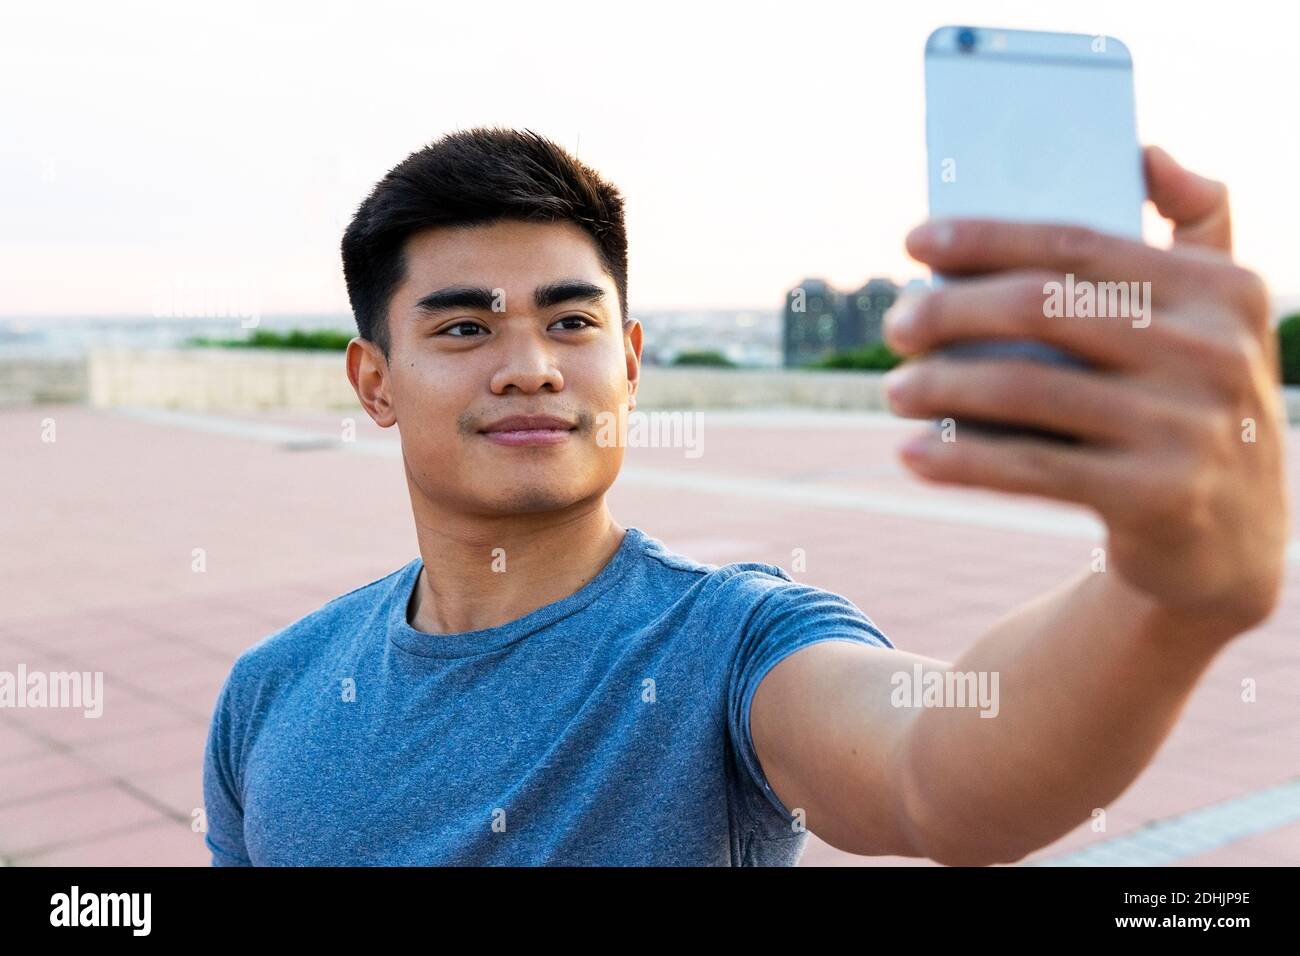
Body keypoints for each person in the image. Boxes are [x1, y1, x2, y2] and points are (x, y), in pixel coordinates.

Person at [201, 127, 1287, 866]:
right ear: (374, 380)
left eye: (572, 322)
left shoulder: (728, 640)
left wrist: (1164, 595)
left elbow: (939, 770)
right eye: (464, 326)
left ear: (629, 362)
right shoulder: (270, 688)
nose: (529, 364)